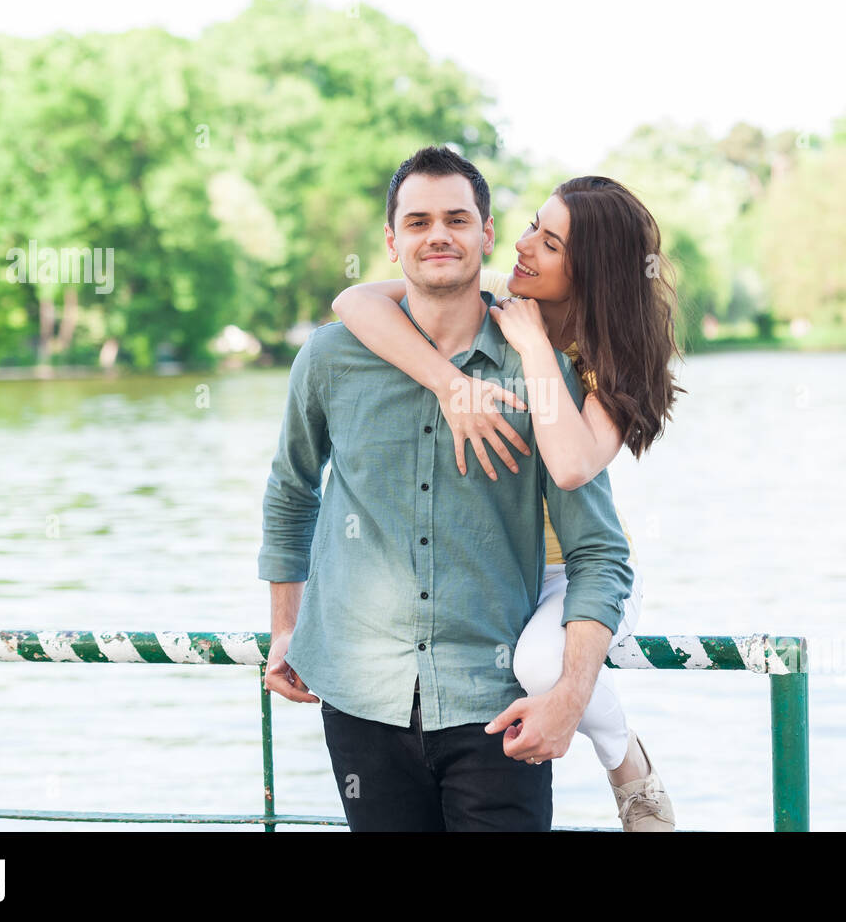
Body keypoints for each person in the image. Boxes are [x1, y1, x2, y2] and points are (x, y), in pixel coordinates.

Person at [259, 145, 635, 832]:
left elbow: (598, 553)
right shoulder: (329, 357)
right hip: (361, 700)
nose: (439, 235)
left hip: (496, 708)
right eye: (419, 221)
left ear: (487, 235)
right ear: (392, 240)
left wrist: (570, 695)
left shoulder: (540, 372)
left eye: (458, 219)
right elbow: (290, 494)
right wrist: (287, 625)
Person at [331, 175, 685, 831]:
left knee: (536, 664)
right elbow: (354, 301)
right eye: (531, 225)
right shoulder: (497, 291)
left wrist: (532, 348)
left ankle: (624, 759)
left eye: (548, 243)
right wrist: (449, 382)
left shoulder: (611, 361)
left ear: (589, 271)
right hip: (501, 564)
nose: (523, 245)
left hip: (574, 573)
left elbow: (574, 464)